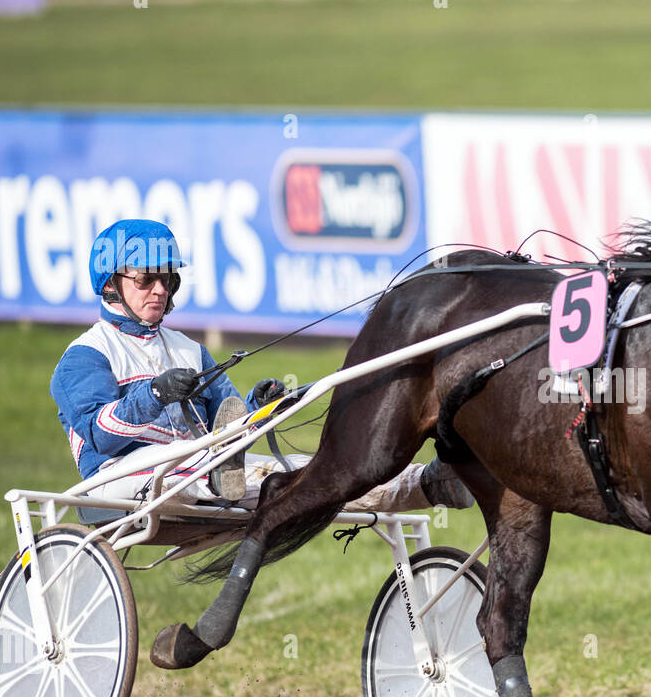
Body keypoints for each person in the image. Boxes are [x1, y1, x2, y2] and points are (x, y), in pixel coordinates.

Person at [50, 219, 471, 512]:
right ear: (110, 283)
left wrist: (261, 409)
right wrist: (155, 394)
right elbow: (99, 436)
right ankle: (213, 476)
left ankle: (429, 484)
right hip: (119, 479)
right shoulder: (86, 355)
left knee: (314, 474)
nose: (159, 290)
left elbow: (229, 428)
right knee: (201, 464)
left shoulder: (189, 350)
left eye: (169, 280)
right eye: (146, 280)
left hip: (202, 471)